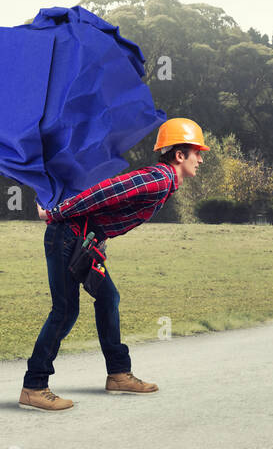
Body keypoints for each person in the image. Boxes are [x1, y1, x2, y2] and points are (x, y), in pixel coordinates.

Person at [17, 117, 208, 412]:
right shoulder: (158, 179)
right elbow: (106, 192)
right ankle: (34, 386)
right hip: (66, 234)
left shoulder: (166, 183)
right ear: (179, 155)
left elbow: (112, 211)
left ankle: (118, 374)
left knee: (108, 297)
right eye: (198, 152)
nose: (201, 159)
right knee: (65, 310)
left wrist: (99, 241)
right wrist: (55, 213)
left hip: (82, 240)